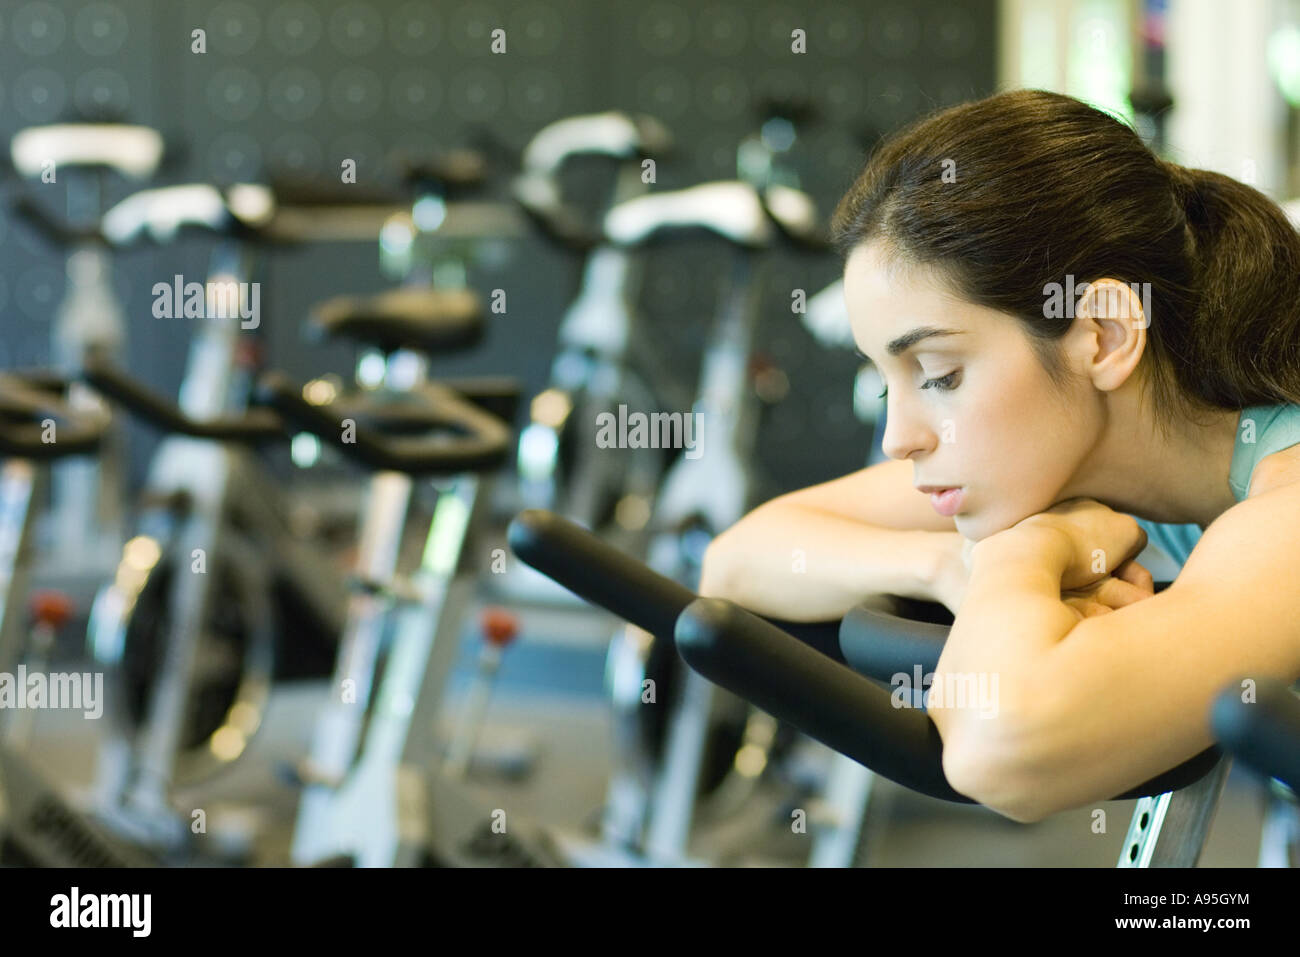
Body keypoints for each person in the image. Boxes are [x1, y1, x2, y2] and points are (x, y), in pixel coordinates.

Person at [698, 88, 1300, 823]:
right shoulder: (1087, 450)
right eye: (889, 386)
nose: (900, 438)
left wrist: (1026, 551)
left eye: (941, 375)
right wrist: (949, 565)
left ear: (1105, 335)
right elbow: (739, 557)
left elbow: (999, 746)